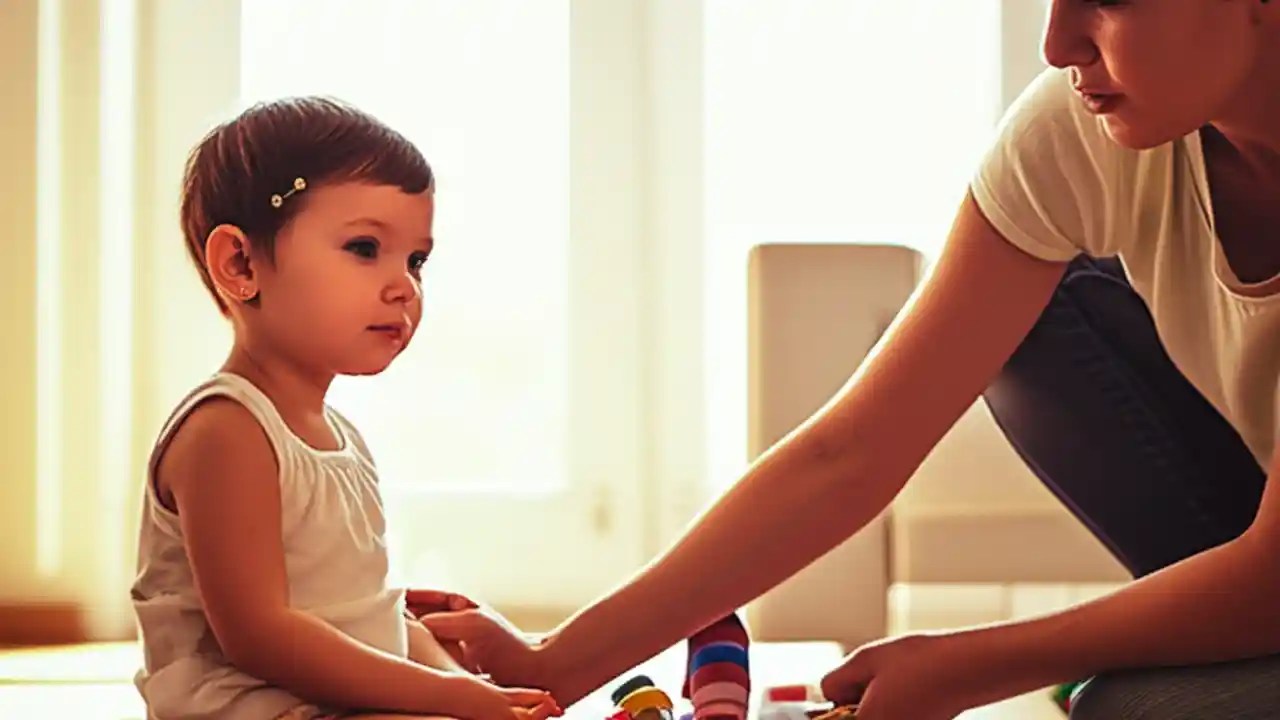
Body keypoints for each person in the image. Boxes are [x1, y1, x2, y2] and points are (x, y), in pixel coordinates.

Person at [420, 2, 1280, 718]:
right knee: (1036, 307)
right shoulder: (1085, 123)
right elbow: (852, 450)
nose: (1056, 45)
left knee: (1140, 710)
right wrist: (557, 660)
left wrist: (976, 663)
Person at [129, 97, 563, 720]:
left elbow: (381, 616)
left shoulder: (342, 439)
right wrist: (448, 698)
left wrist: (474, 689)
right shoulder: (225, 431)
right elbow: (260, 637)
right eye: (365, 248)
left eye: (416, 261)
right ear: (241, 263)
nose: (404, 286)